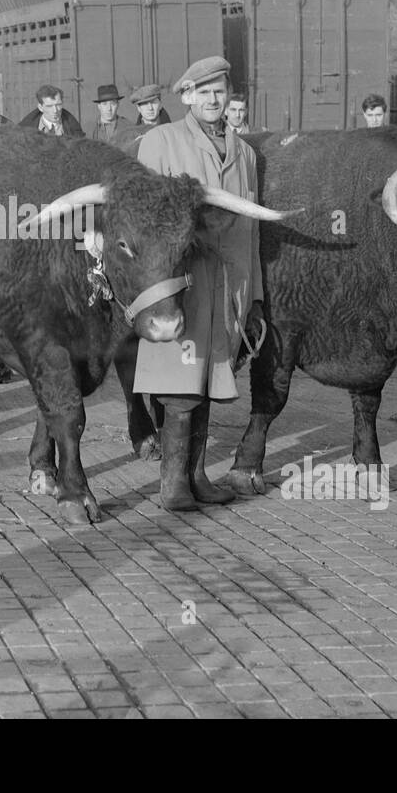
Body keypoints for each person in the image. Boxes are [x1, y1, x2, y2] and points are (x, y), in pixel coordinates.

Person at [135, 56, 261, 511]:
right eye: (202, 91)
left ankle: (196, 474)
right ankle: (172, 484)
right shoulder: (161, 141)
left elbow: (252, 230)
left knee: (209, 378)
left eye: (219, 91)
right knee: (179, 383)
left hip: (229, 288)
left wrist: (257, 295)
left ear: (230, 96)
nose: (212, 99)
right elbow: (147, 219)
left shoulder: (244, 153)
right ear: (187, 96)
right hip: (180, 285)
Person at [19, 85, 84, 136]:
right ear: (40, 107)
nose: (55, 110)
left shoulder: (74, 129)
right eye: (49, 106)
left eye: (58, 105)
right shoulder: (24, 130)